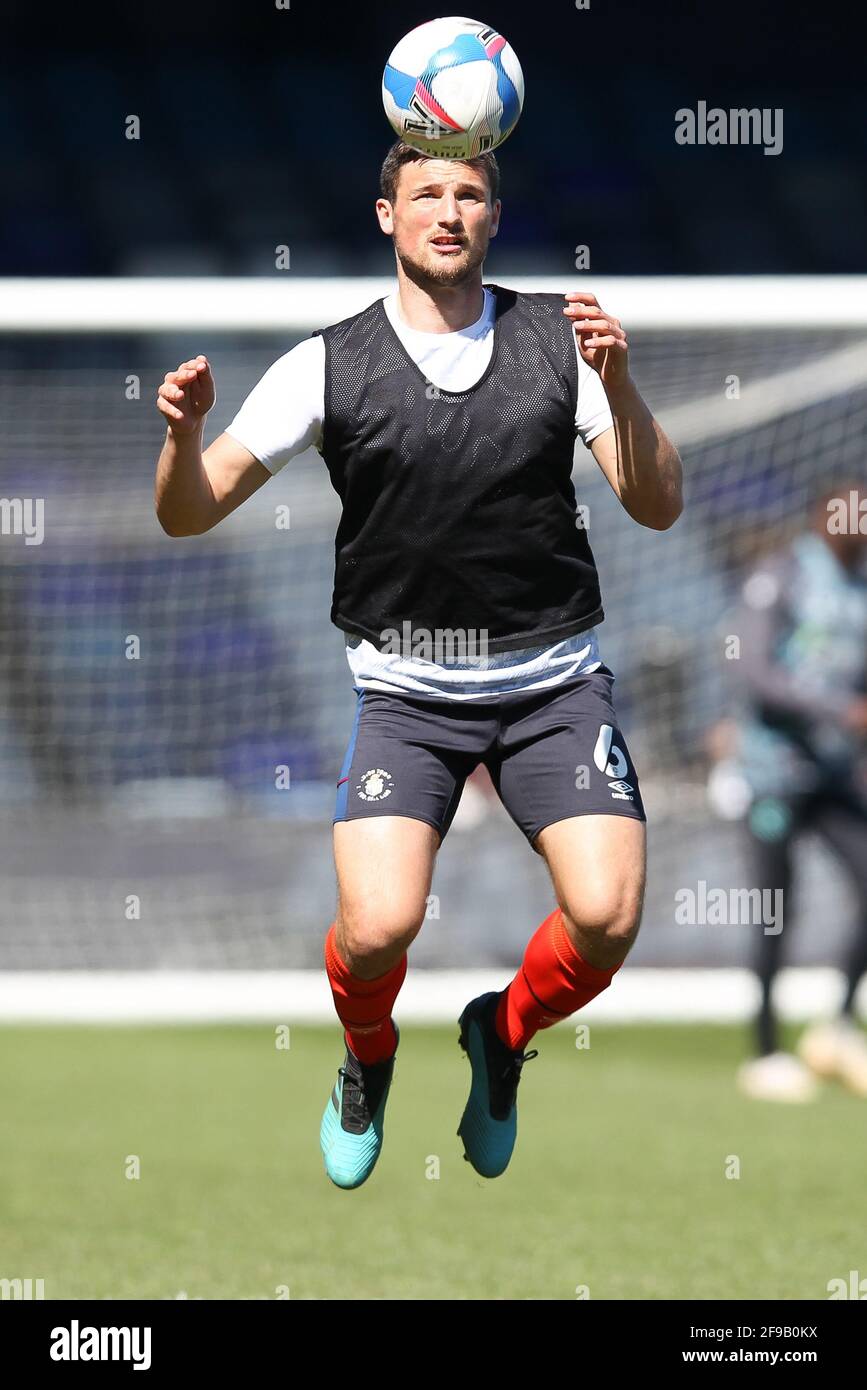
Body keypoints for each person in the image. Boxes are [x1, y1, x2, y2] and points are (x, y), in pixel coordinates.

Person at [154, 141, 683, 1188]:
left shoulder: (560, 342)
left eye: (471, 194)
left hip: (553, 688)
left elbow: (658, 503)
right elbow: (186, 512)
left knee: (609, 915)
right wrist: (183, 434)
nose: (449, 211)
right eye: (427, 194)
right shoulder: (326, 363)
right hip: (407, 698)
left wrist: (622, 390)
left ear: (493, 216)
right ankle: (368, 1055)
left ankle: (503, 1030)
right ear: (388, 214)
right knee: (376, 929)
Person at [732, 481, 867, 1102]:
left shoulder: (861, 589)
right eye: (849, 513)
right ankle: (764, 1052)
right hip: (772, 773)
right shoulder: (784, 574)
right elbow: (754, 669)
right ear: (823, 516)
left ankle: (836, 1024)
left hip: (833, 773)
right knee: (773, 908)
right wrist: (838, 710)